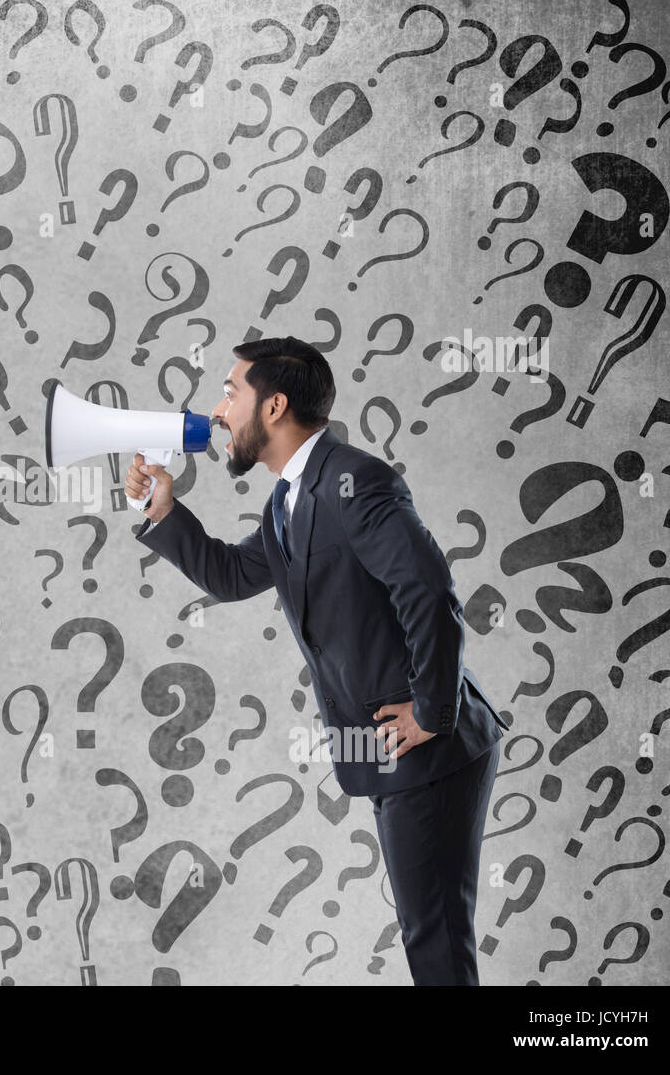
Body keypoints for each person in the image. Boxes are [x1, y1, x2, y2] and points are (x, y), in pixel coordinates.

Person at [125, 335, 507, 985]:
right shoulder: (288, 501)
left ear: (273, 407)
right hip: (394, 755)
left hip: (430, 752)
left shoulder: (354, 483)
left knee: (435, 946)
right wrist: (162, 509)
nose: (218, 412)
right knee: (431, 944)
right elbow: (233, 573)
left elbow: (429, 590)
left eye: (230, 393)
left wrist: (434, 711)